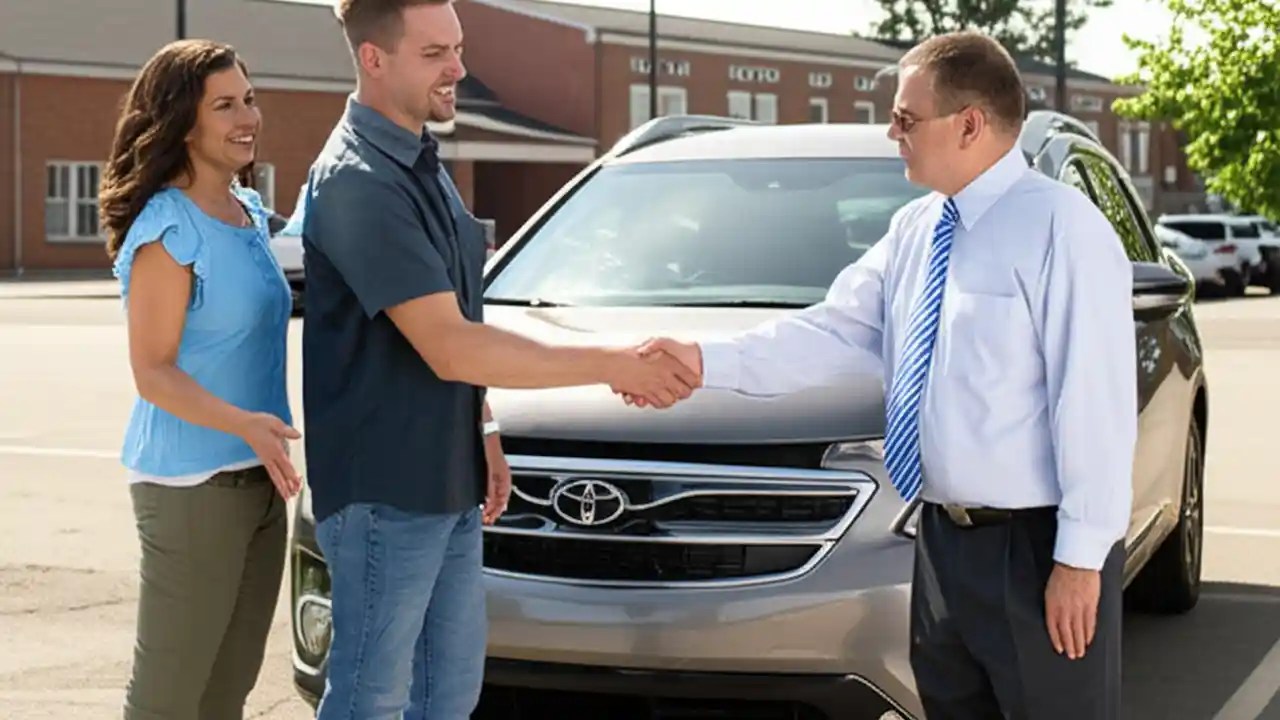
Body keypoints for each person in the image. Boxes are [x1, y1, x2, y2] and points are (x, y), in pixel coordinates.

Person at [634, 30, 1136, 720]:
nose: (891, 132)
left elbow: (1096, 406)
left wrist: (1080, 562)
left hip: (1036, 548)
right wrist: (703, 360)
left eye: (906, 117)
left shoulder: (1062, 228)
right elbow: (832, 332)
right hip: (940, 543)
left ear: (968, 124)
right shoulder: (915, 230)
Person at [299, 1, 697, 718]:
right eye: (434, 54)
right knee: (372, 697)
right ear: (374, 59)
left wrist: (481, 427)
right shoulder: (360, 180)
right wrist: (615, 363)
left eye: (458, 47)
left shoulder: (420, 159)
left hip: (444, 481)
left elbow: (456, 323)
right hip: (386, 492)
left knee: (447, 696)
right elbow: (450, 344)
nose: (458, 68)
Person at [99, 39, 302, 719]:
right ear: (183, 121)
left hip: (261, 479)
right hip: (191, 487)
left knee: (225, 697)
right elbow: (152, 371)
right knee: (168, 702)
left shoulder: (246, 213)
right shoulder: (167, 227)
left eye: (249, 98)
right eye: (225, 105)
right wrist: (244, 423)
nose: (247, 116)